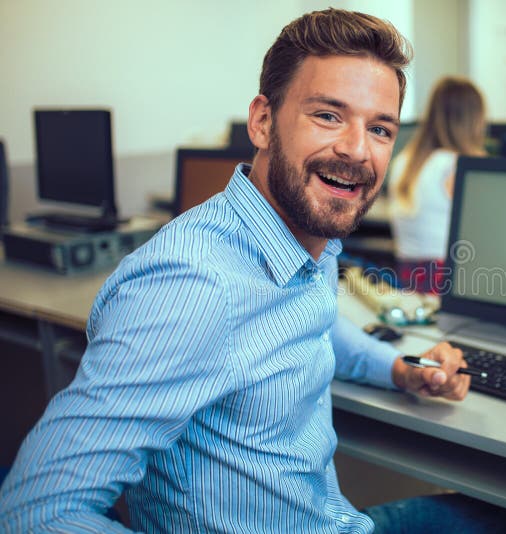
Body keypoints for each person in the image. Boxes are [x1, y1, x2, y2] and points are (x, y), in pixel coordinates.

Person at [0, 8, 473, 533]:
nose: (357, 150)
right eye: (327, 115)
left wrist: (400, 368)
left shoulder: (306, 239)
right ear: (263, 121)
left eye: (380, 128)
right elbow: (37, 514)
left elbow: (312, 323)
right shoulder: (192, 286)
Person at [388, 77, 487, 294]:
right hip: (447, 281)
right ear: (474, 120)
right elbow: (488, 231)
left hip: (408, 279)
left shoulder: (403, 161)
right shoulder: (458, 165)